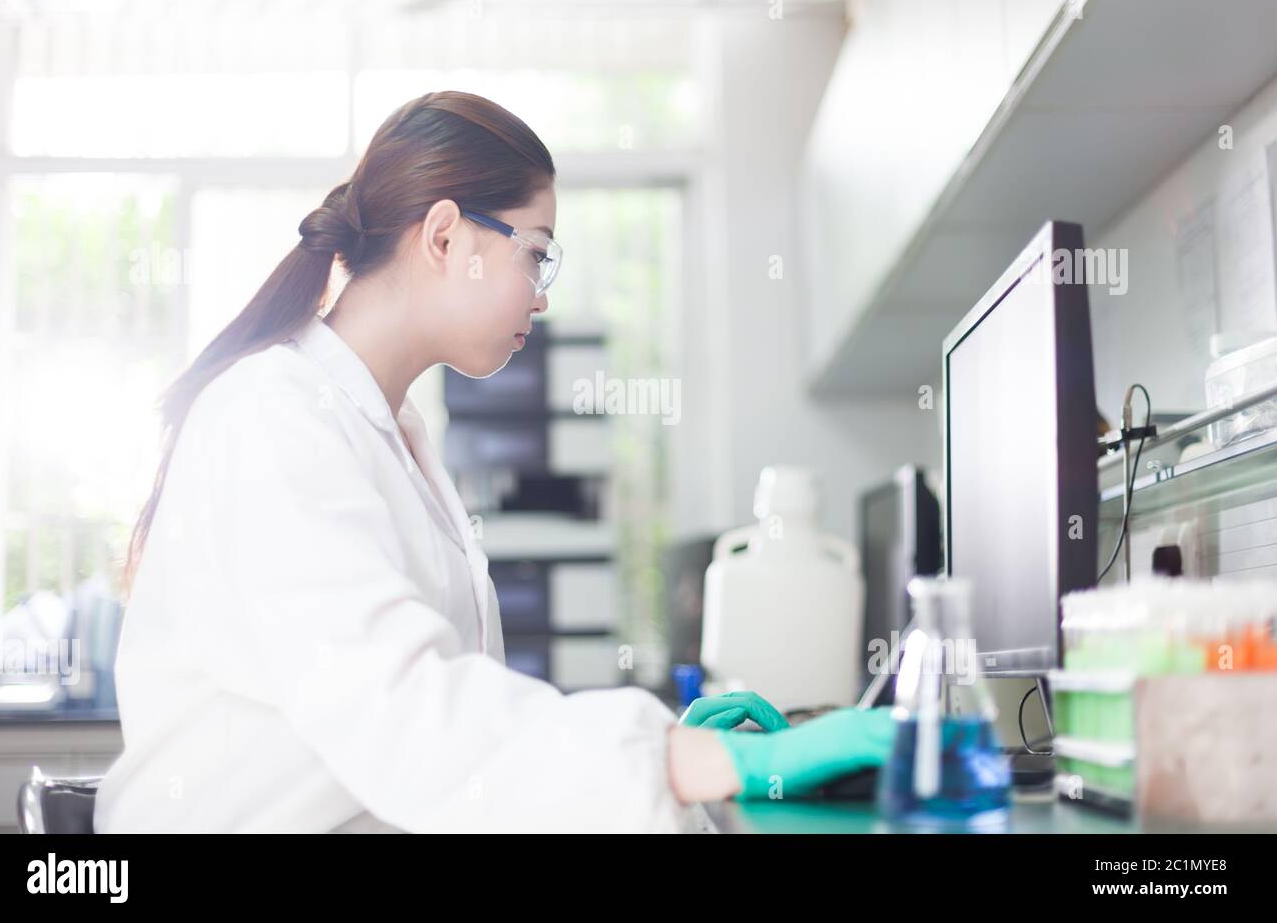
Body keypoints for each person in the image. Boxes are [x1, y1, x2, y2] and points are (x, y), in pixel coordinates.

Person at [94, 91, 894, 833]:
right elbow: (403, 711)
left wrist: (658, 755)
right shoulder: (273, 417)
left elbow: (455, 742)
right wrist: (686, 762)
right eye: (536, 254)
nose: (541, 296)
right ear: (445, 237)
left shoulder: (387, 433)